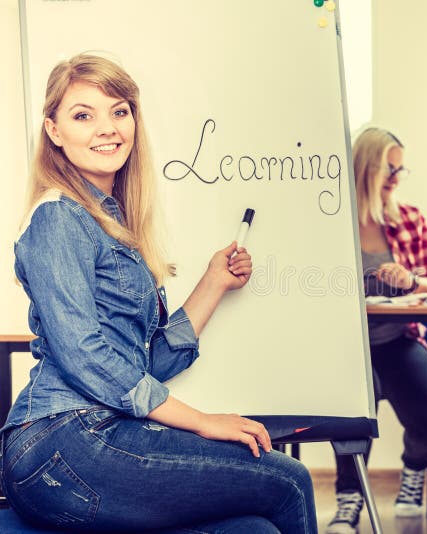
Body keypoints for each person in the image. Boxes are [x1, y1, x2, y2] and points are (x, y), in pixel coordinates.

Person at [0, 54, 316, 534]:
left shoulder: (111, 222)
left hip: (102, 434)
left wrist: (213, 282)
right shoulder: (57, 217)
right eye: (83, 115)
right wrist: (202, 421)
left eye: (119, 111)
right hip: (61, 442)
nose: (107, 128)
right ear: (54, 130)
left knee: (252, 529)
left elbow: (143, 363)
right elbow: (84, 355)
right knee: (288, 480)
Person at [325, 127, 427, 533]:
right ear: (365, 166)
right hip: (348, 343)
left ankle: (413, 474)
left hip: (397, 338)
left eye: (401, 169)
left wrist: (411, 281)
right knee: (352, 417)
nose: (395, 177)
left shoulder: (409, 218)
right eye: (388, 168)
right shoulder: (333, 218)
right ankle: (349, 501)